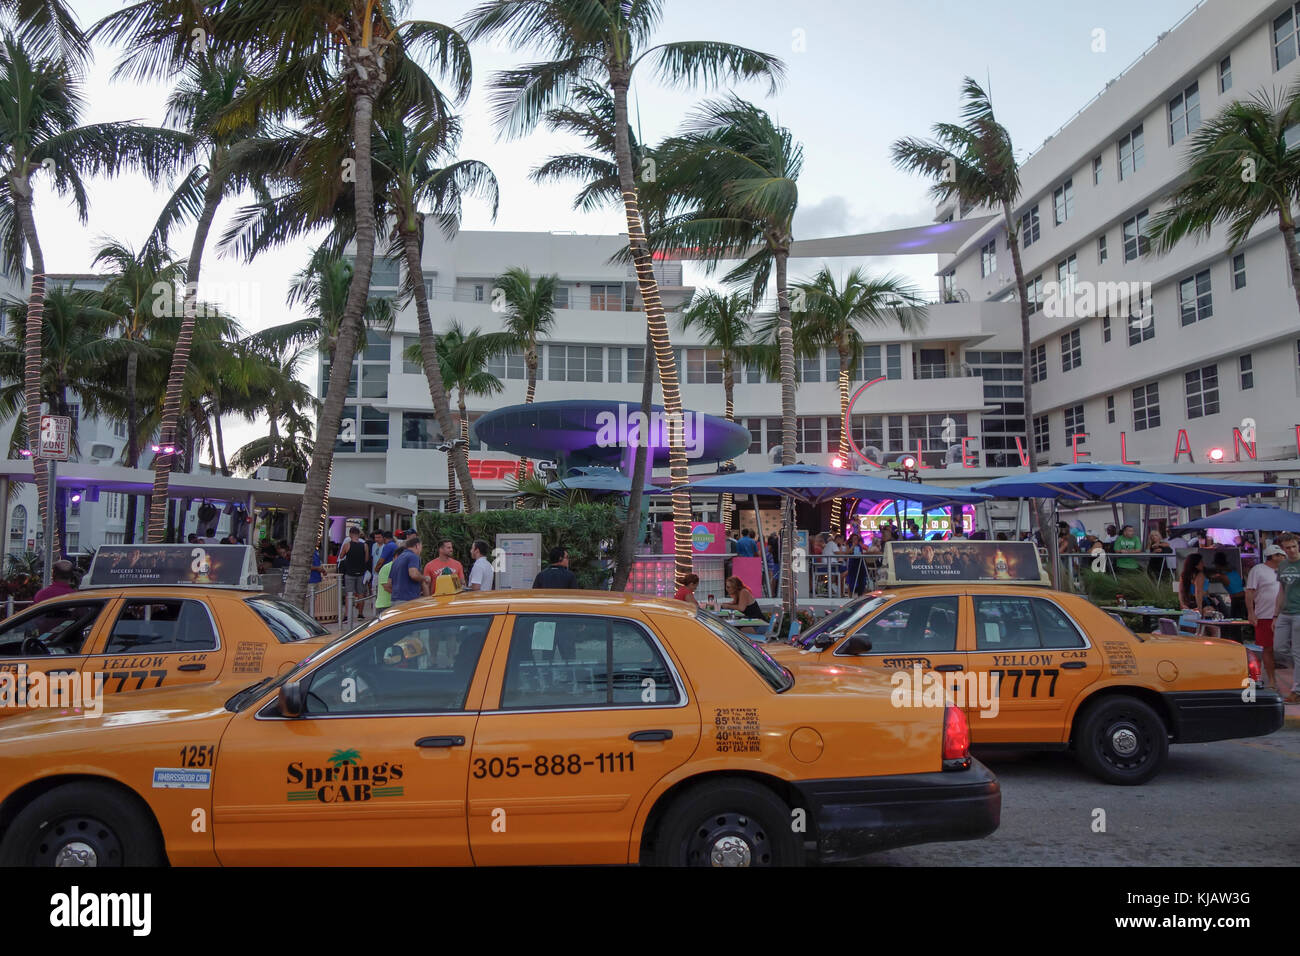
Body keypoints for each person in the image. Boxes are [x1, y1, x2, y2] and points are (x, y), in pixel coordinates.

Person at [1246, 544, 1286, 689]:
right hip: (1265, 615)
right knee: (1268, 648)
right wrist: (1251, 612)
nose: (1283, 557)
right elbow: (1249, 592)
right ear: (1273, 556)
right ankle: (1272, 680)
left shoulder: (1285, 570)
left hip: (1286, 614)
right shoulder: (1258, 570)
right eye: (1280, 555)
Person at [1272, 533, 1300, 703]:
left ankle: (1297, 690)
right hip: (1285, 612)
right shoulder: (1282, 565)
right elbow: (1281, 591)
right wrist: (1275, 614)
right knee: (1279, 648)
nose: (1291, 550)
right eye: (1288, 548)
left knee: (1297, 651)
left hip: (1299, 612)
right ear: (1282, 549)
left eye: (1294, 546)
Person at [336, 525, 371, 621]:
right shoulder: (364, 545)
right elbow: (366, 559)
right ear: (359, 534)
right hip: (361, 573)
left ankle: (347, 615)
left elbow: (341, 556)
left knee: (349, 594)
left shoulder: (347, 545)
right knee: (361, 594)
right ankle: (360, 614)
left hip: (350, 572)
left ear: (350, 534)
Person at [388, 534, 426, 604]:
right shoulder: (413, 556)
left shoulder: (397, 559)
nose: (421, 550)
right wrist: (425, 578)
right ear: (417, 545)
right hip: (408, 600)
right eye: (421, 547)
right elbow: (414, 575)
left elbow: (389, 583)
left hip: (394, 600)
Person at [1208, 552, 1246, 619]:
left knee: (1235, 621)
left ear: (1217, 565)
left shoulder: (1222, 576)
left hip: (1237, 600)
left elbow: (1210, 578)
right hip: (1243, 597)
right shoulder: (1233, 571)